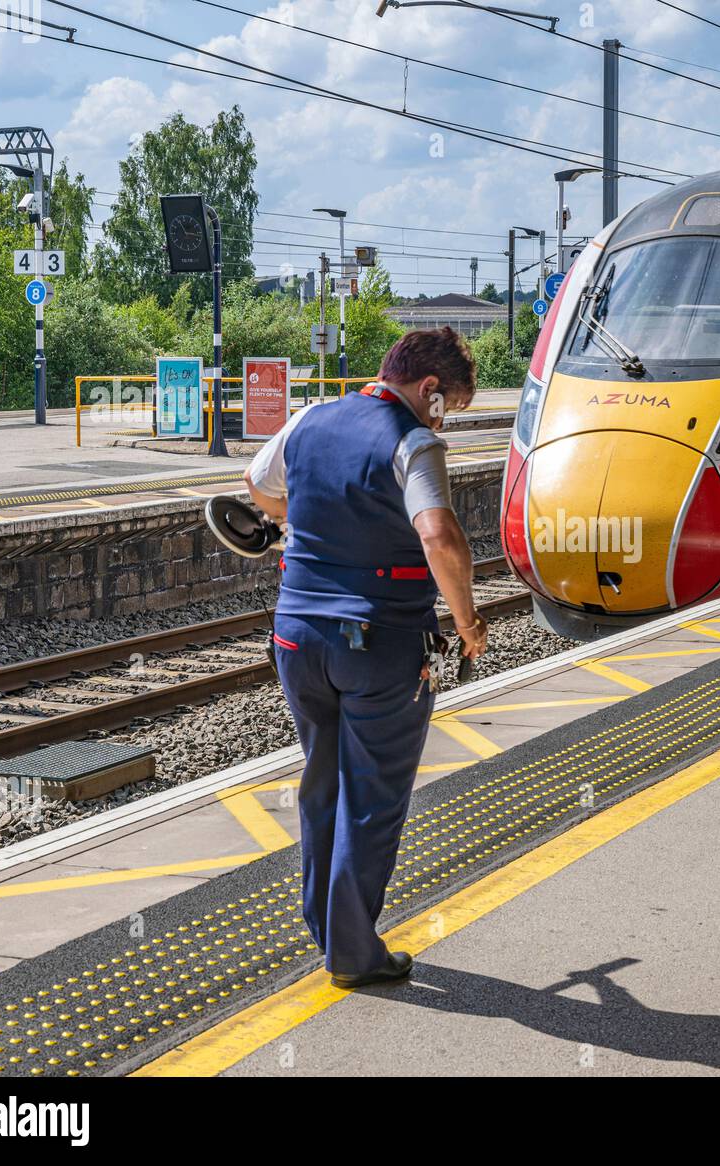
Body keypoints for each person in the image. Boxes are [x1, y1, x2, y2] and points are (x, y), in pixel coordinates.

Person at [243, 327, 487, 989]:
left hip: (297, 638)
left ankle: (325, 927)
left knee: (321, 781)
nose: (448, 422)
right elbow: (438, 535)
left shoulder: (310, 420)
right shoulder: (413, 439)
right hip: (379, 645)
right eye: (451, 407)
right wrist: (466, 622)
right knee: (372, 798)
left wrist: (318, 521)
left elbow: (257, 485)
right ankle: (352, 952)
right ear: (428, 389)